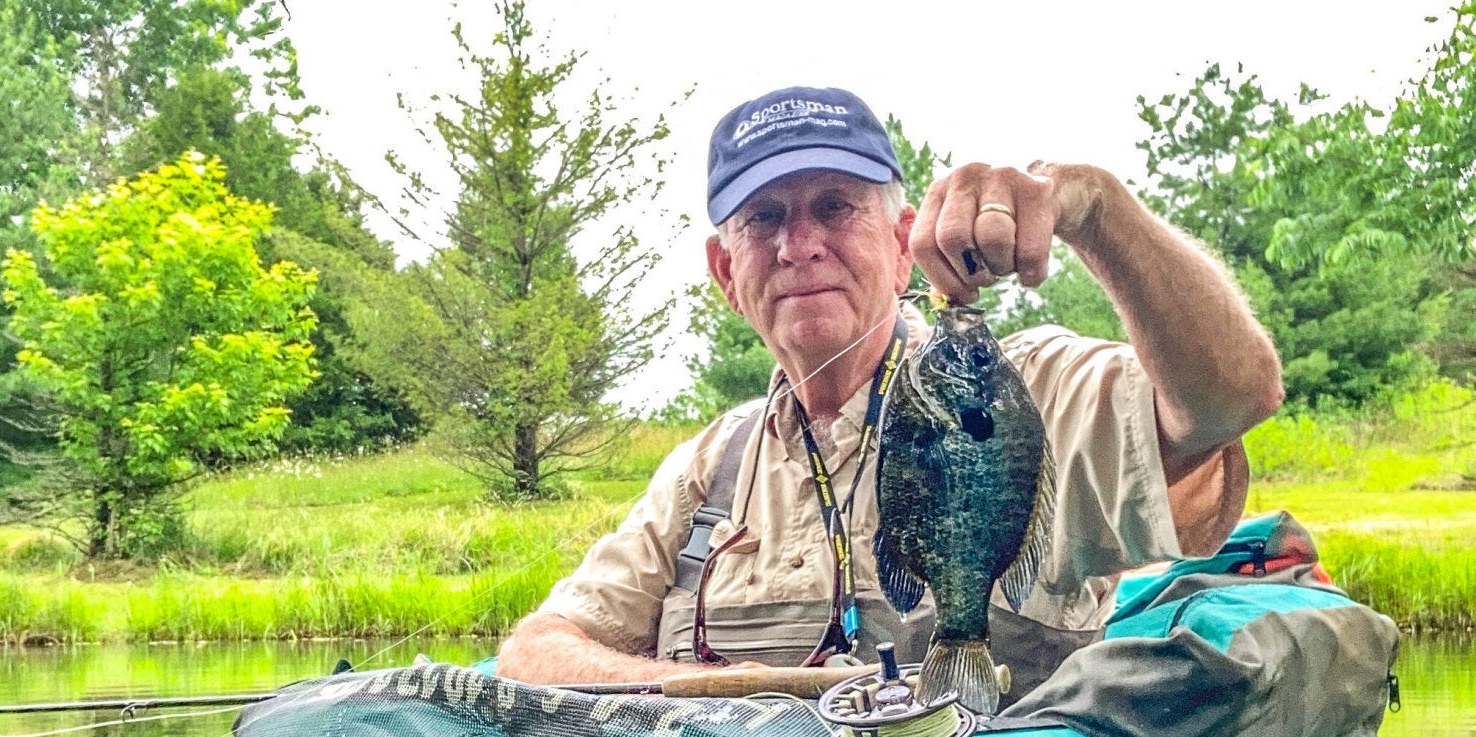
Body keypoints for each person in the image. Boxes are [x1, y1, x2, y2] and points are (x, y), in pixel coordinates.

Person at [496, 86, 1283, 695]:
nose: (798, 245)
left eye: (834, 207)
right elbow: (535, 649)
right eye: (763, 217)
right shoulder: (706, 471)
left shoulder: (1020, 393)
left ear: (902, 244)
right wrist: (720, 694)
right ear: (727, 273)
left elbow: (1231, 397)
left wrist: (1096, 210)